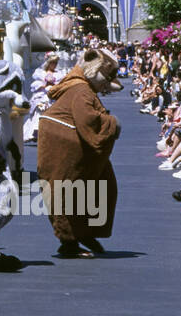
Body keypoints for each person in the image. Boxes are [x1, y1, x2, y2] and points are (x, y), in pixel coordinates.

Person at [36, 47, 122, 258]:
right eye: (104, 82)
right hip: (64, 146)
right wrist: (112, 123)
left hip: (69, 143)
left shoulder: (81, 87)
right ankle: (70, 241)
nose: (104, 87)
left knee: (100, 183)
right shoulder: (82, 90)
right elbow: (88, 120)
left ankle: (83, 232)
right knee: (68, 190)